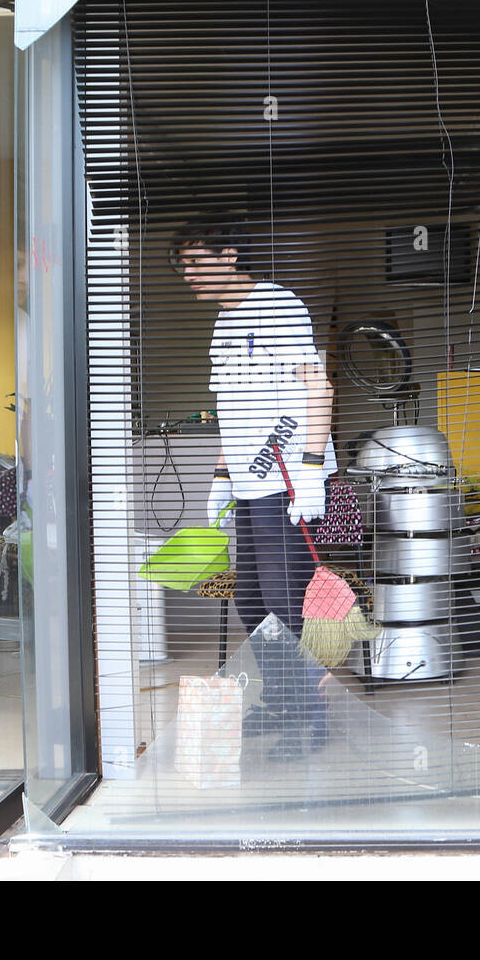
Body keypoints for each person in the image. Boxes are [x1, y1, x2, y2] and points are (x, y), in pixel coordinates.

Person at [173, 221, 335, 760]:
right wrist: (222, 478)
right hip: (249, 484)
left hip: (287, 482)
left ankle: (307, 717)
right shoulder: (223, 324)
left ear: (230, 255)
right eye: (184, 266)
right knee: (251, 599)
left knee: (285, 602)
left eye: (197, 262)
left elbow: (316, 389)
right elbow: (233, 415)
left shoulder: (277, 305)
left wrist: (310, 470)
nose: (189, 276)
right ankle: (283, 700)